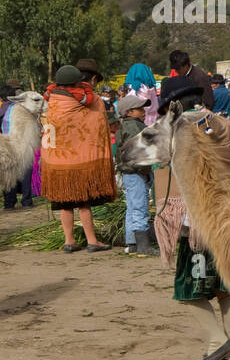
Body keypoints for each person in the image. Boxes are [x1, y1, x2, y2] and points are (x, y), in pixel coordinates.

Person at [153, 75, 230, 360]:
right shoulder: (221, 125)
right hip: (228, 222)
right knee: (225, 288)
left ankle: (220, 341)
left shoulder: (179, 134)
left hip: (196, 225)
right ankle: (228, 346)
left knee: (188, 291)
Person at [43, 64, 116, 252]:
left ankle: (69, 241)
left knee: (64, 204)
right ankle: (92, 241)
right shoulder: (89, 100)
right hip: (80, 163)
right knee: (84, 203)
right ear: (77, 81)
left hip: (57, 161)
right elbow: (95, 125)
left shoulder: (52, 100)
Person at [115, 94, 156, 257]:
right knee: (140, 207)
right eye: (139, 109)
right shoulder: (133, 126)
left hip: (129, 173)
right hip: (136, 172)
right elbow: (136, 151)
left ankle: (132, 242)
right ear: (129, 112)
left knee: (132, 208)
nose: (143, 111)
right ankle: (143, 246)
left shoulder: (127, 125)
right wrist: (144, 168)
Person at [2, 79, 36, 211]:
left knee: (10, 173)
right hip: (15, 144)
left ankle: (10, 203)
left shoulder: (5, 107)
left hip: (9, 144)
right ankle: (25, 200)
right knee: (18, 172)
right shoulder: (19, 107)